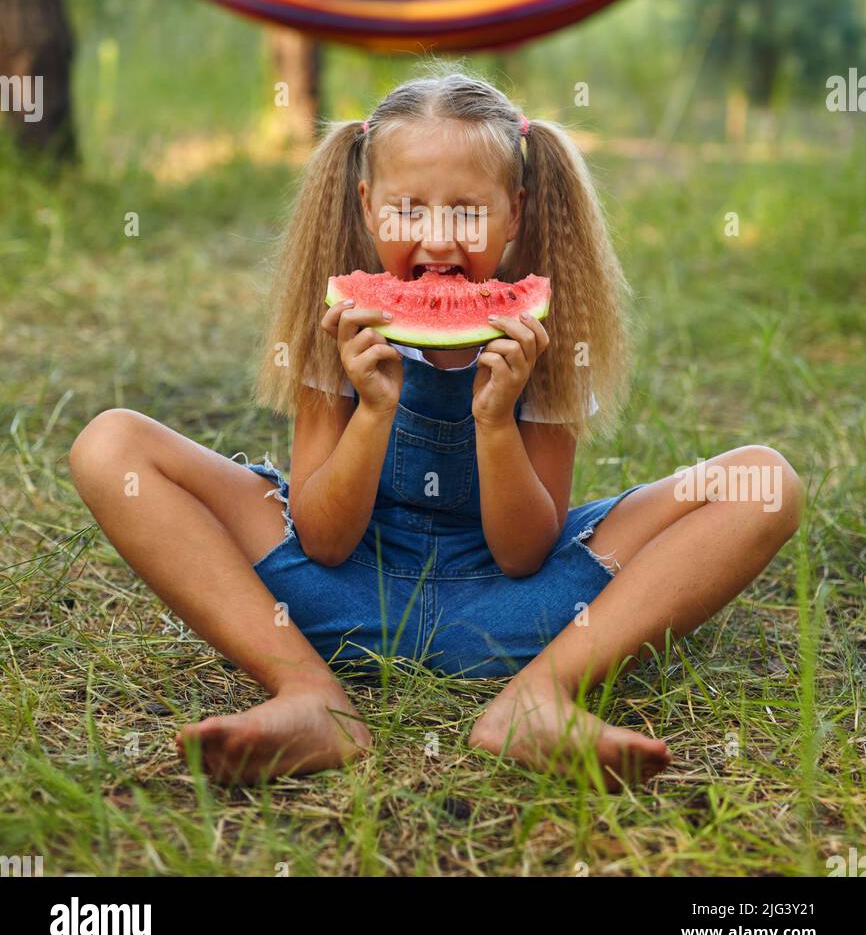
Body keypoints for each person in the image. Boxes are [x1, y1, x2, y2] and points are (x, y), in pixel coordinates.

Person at [69, 64, 804, 788]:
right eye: (408, 209)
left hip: (514, 610)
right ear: (365, 203)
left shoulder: (544, 331)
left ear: (515, 211)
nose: (438, 239)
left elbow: (524, 553)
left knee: (764, 481)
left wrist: (494, 421)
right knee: (112, 444)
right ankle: (307, 695)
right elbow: (321, 538)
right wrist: (373, 411)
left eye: (466, 210)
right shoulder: (343, 322)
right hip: (334, 600)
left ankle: (539, 698)